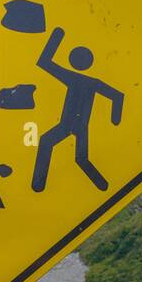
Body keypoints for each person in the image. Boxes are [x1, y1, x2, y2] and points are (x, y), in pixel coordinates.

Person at [31, 26, 124, 193]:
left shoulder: (73, 78)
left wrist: (57, 36)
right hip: (79, 125)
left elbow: (44, 62)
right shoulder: (93, 82)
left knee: (48, 143)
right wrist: (114, 118)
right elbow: (117, 96)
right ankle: (102, 185)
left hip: (68, 124)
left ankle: (38, 185)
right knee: (81, 158)